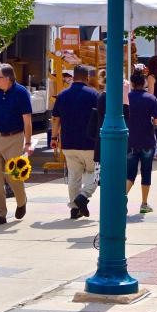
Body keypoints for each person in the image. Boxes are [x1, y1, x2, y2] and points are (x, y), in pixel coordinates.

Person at [0, 63, 32, 226]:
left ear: (9, 78)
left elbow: (27, 120)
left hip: (14, 138)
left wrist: (28, 142)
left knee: (13, 175)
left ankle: (21, 200)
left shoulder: (21, 93)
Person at [52, 64, 99, 220]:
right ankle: (83, 196)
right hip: (89, 143)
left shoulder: (62, 95)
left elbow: (56, 119)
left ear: (73, 77)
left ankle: (74, 208)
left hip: (68, 142)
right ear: (87, 78)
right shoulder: (94, 95)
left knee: (74, 176)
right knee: (97, 174)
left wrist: (54, 138)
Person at [126, 71, 157, 214]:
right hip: (147, 139)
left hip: (130, 139)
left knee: (130, 174)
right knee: (146, 172)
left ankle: (122, 198)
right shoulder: (151, 99)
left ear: (132, 83)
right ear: (144, 83)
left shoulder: (126, 98)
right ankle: (144, 203)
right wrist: (152, 123)